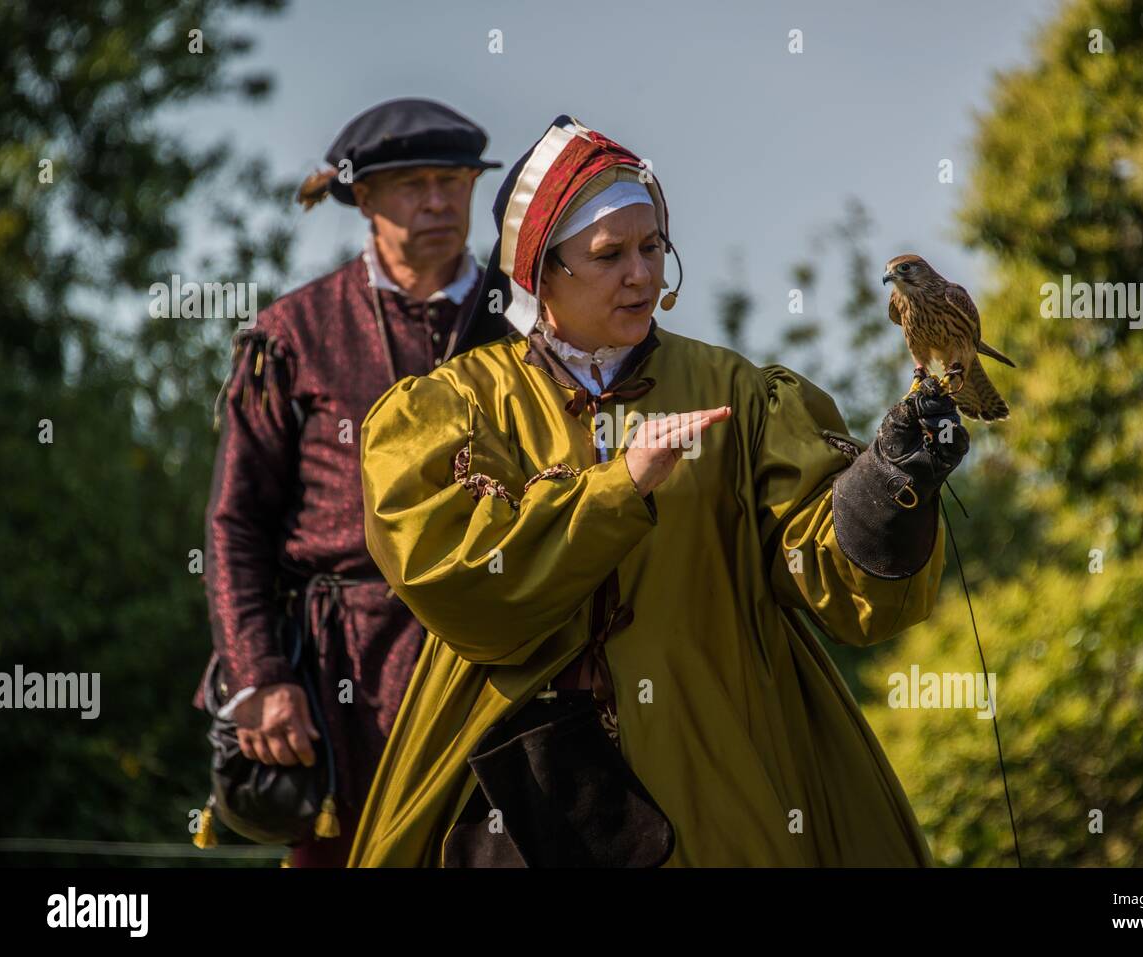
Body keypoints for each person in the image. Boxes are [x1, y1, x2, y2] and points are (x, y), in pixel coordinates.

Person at [349, 115, 970, 866]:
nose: (640, 274)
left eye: (653, 248)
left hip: (718, 769)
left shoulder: (737, 393)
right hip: (521, 797)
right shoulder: (456, 409)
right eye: (609, 255)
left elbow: (827, 576)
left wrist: (887, 491)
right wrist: (621, 489)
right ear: (539, 275)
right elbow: (461, 583)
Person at [191, 98, 508, 867]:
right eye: (414, 185)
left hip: (504, 653)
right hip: (350, 674)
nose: (438, 201)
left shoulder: (525, 324)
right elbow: (237, 523)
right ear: (362, 198)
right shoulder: (293, 333)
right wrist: (261, 675)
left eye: (455, 181)